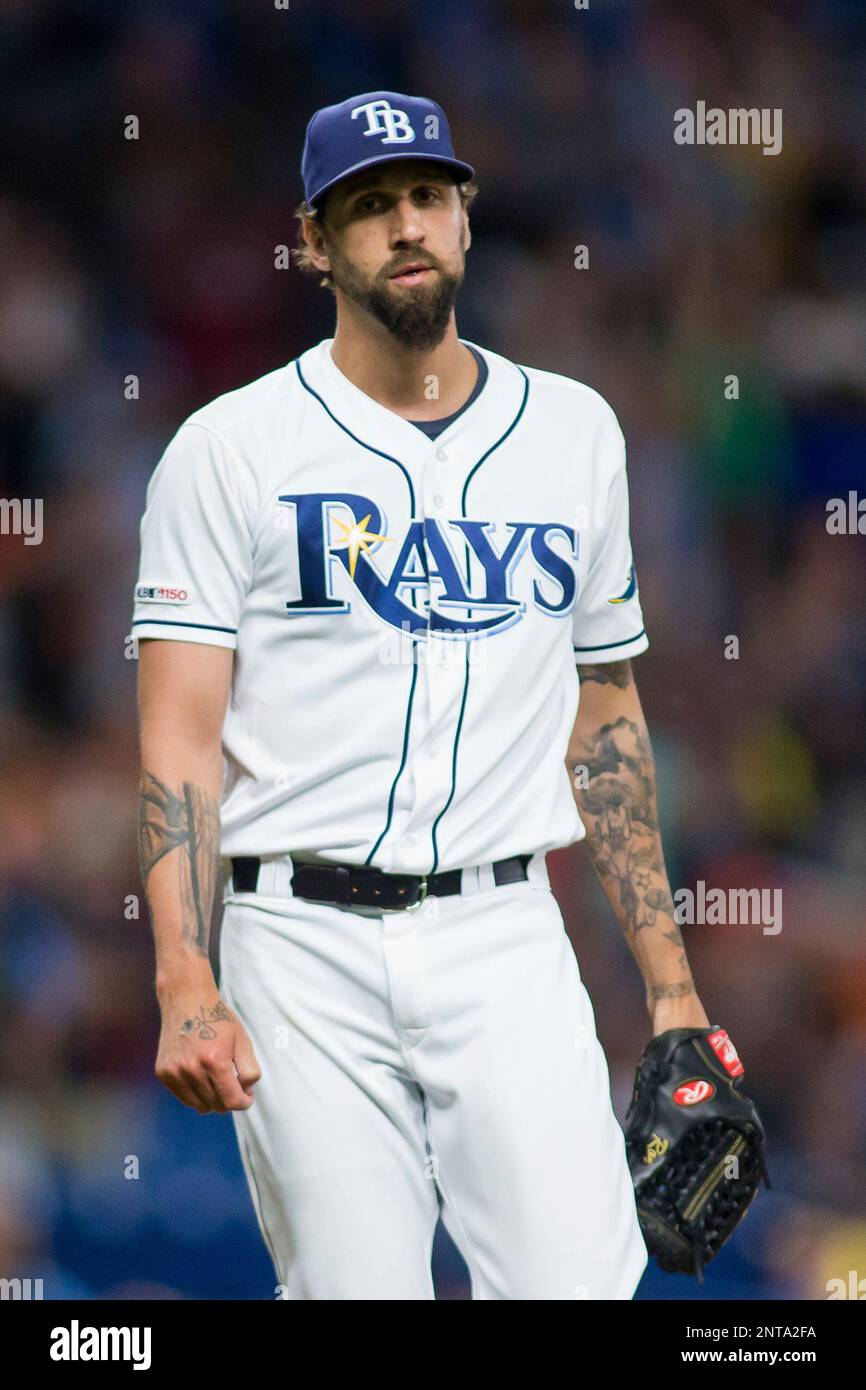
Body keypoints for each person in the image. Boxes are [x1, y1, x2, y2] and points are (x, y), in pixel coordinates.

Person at [133, 90, 710, 1301]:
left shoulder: (573, 433)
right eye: (367, 205)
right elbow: (180, 738)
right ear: (312, 241)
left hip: (506, 932)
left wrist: (671, 989)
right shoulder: (228, 449)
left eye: (426, 196)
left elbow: (603, 717)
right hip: (299, 942)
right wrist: (185, 977)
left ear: (462, 218)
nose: (404, 224)